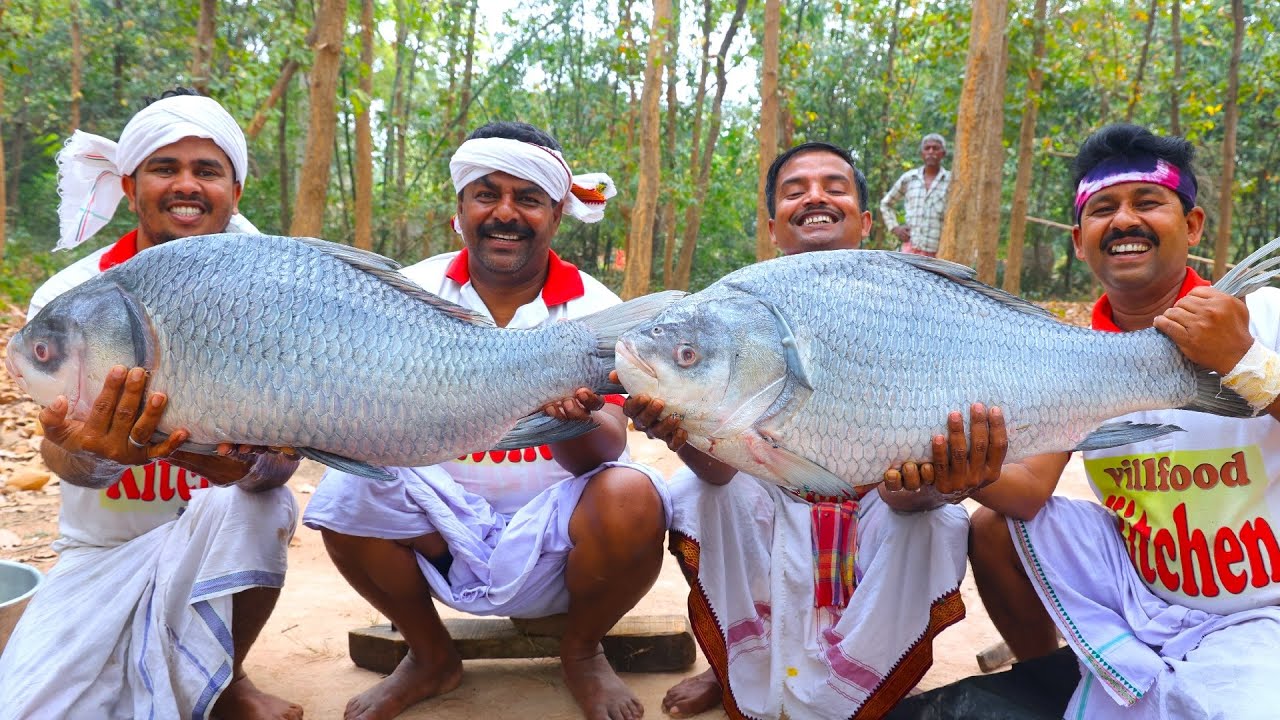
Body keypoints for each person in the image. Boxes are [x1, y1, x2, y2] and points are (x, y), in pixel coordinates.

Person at [620, 141, 1006, 719]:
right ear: (773, 226)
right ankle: (737, 665)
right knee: (696, 492)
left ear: (866, 221)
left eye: (835, 186)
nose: (815, 197)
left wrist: (938, 483)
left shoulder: (905, 297)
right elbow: (723, 468)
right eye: (795, 190)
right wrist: (684, 429)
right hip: (776, 496)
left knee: (940, 518)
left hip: (880, 506)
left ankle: (871, 679)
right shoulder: (736, 304)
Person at [303, 121, 670, 720]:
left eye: (527, 198)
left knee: (634, 494)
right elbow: (368, 424)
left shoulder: (596, 309)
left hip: (562, 543)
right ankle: (430, 655)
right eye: (487, 194)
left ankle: (581, 649)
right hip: (434, 533)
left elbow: (608, 450)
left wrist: (568, 422)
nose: (506, 213)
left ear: (556, 213)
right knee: (345, 488)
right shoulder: (408, 292)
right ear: (460, 209)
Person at [0, 89, 302, 720]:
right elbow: (59, 452)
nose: (186, 185)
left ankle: (230, 679)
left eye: (208, 170)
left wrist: (235, 466)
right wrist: (101, 456)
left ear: (236, 190)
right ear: (131, 186)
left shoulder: (278, 291)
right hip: (100, 552)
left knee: (263, 501)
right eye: (166, 168)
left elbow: (284, 463)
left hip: (214, 532)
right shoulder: (73, 295)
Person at [966, 123, 1280, 719]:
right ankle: (1048, 681)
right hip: (1143, 591)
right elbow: (1028, 494)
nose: (1124, 220)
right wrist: (955, 469)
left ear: (1191, 225)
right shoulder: (1071, 356)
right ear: (1081, 242)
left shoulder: (1262, 315)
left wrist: (1247, 365)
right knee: (990, 528)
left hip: (1263, 605)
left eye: (1148, 202)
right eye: (1103, 208)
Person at [879, 133, 952, 257]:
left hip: (939, 254)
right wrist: (895, 228)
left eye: (935, 148)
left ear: (943, 153)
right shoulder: (909, 178)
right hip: (910, 251)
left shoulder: (951, 181)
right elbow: (886, 204)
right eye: (927, 148)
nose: (931, 151)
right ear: (922, 153)